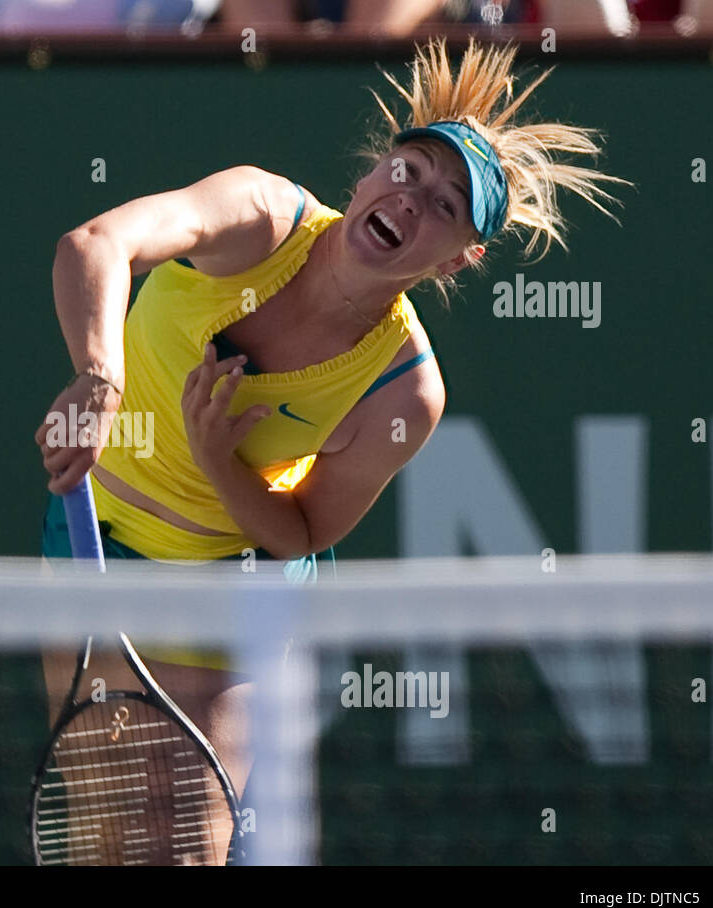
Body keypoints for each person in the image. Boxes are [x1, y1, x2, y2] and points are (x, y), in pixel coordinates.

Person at [34, 36, 629, 864]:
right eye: (407, 171)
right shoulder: (257, 214)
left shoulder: (404, 391)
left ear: (459, 259)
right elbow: (96, 243)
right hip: (96, 543)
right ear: (371, 173)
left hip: (232, 586)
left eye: (445, 206)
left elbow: (303, 532)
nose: (411, 200)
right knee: (107, 835)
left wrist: (218, 461)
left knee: (185, 840)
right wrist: (100, 377)